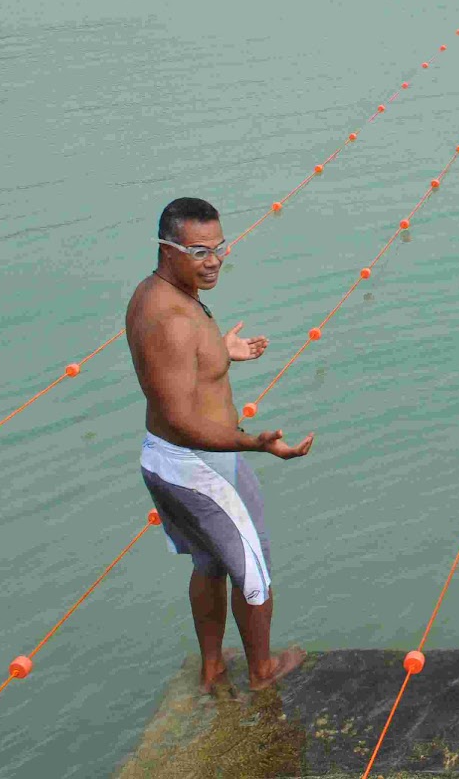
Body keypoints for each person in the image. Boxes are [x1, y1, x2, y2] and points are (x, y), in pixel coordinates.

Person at [127, 197, 312, 693]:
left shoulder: (164, 293)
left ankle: (212, 670)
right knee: (254, 571)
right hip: (196, 465)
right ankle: (261, 672)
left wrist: (219, 353)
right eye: (197, 250)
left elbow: (184, 368)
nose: (213, 260)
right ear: (167, 249)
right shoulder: (170, 318)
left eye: (219, 247)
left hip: (181, 461)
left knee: (209, 562)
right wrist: (253, 442)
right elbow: (181, 419)